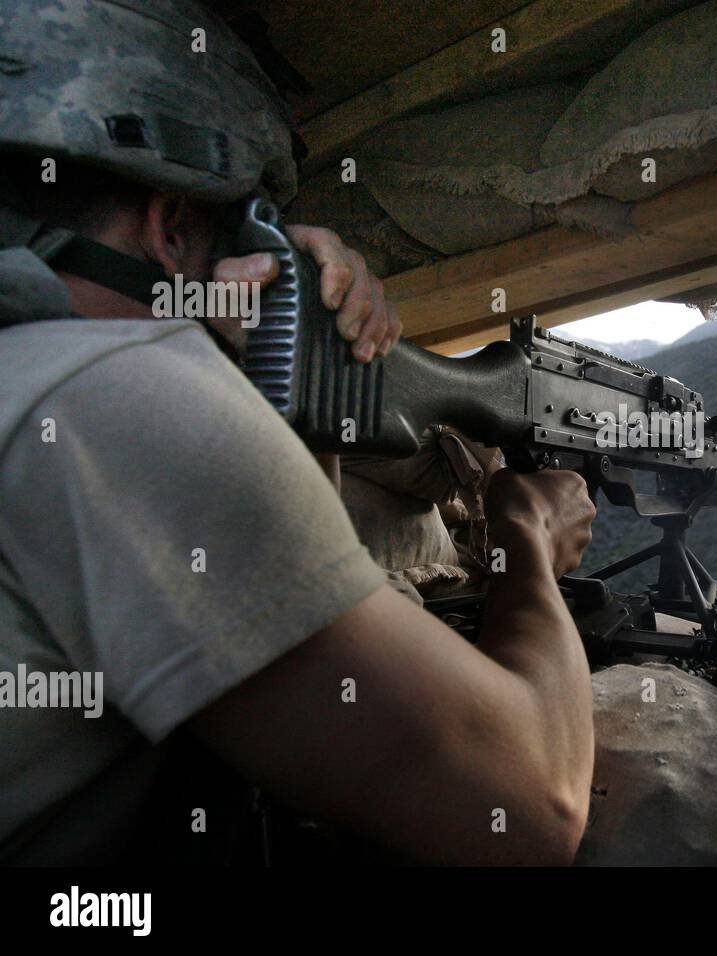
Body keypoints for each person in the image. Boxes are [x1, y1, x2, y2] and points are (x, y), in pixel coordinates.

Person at [0, 0, 596, 865]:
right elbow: (532, 808)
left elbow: (276, 606)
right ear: (170, 228)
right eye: (245, 225)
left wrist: (302, 371)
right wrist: (524, 534)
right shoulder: (111, 387)